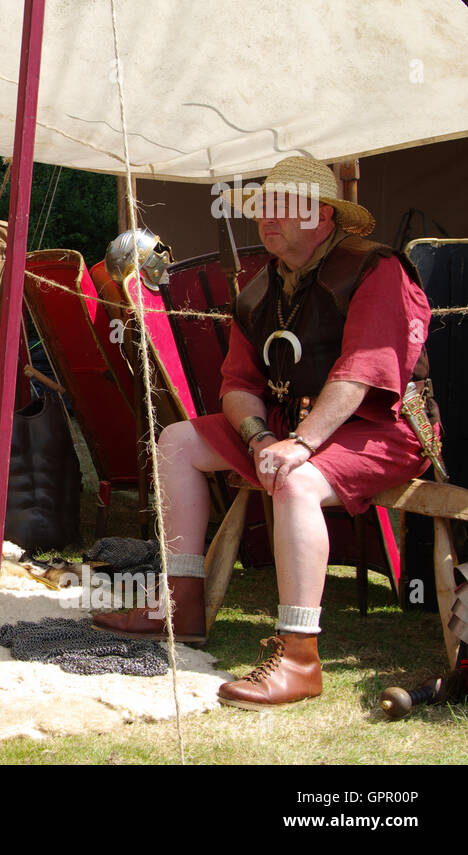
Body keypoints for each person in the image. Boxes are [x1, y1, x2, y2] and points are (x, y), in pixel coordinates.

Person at [93, 156, 435, 709]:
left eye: (283, 207)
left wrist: (299, 445)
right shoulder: (261, 288)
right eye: (263, 208)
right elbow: (237, 384)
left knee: (295, 482)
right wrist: (257, 439)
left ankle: (299, 656)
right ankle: (182, 606)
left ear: (323, 214)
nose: (266, 218)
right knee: (178, 441)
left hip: (382, 430)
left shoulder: (377, 270)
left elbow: (361, 373)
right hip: (287, 427)